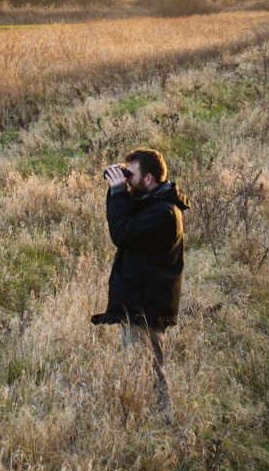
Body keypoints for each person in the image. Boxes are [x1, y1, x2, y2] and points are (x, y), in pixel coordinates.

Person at [91, 148, 190, 412]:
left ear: (148, 179)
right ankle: (143, 419)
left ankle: (163, 422)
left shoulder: (163, 212)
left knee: (150, 371)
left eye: (131, 175)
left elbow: (122, 233)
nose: (127, 180)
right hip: (139, 302)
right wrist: (119, 188)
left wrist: (117, 191)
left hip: (146, 307)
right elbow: (127, 217)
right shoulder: (153, 203)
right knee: (140, 369)